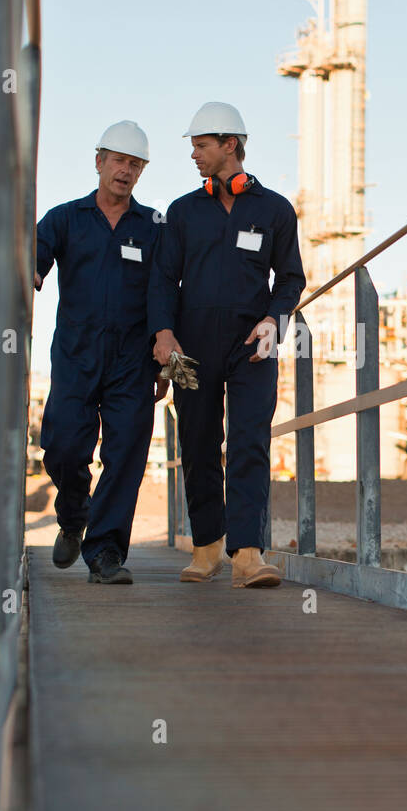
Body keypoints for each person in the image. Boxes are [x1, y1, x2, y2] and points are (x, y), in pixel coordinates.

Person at [148, 101, 306, 588]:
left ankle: (247, 555)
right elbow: (161, 280)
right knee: (196, 442)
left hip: (251, 345)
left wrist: (274, 320)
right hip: (188, 349)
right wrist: (164, 335)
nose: (194, 155)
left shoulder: (275, 209)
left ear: (229, 146)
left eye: (200, 146)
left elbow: (291, 277)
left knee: (249, 442)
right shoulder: (181, 212)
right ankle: (206, 548)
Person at [35, 120, 166, 584]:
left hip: (133, 360)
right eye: (118, 161)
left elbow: (165, 291)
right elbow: (33, 261)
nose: (125, 171)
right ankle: (73, 517)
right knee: (64, 447)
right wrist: (28, 274)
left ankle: (106, 553)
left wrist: (165, 352)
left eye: (135, 165)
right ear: (98, 162)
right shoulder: (64, 218)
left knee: (126, 452)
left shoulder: (153, 227)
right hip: (75, 355)